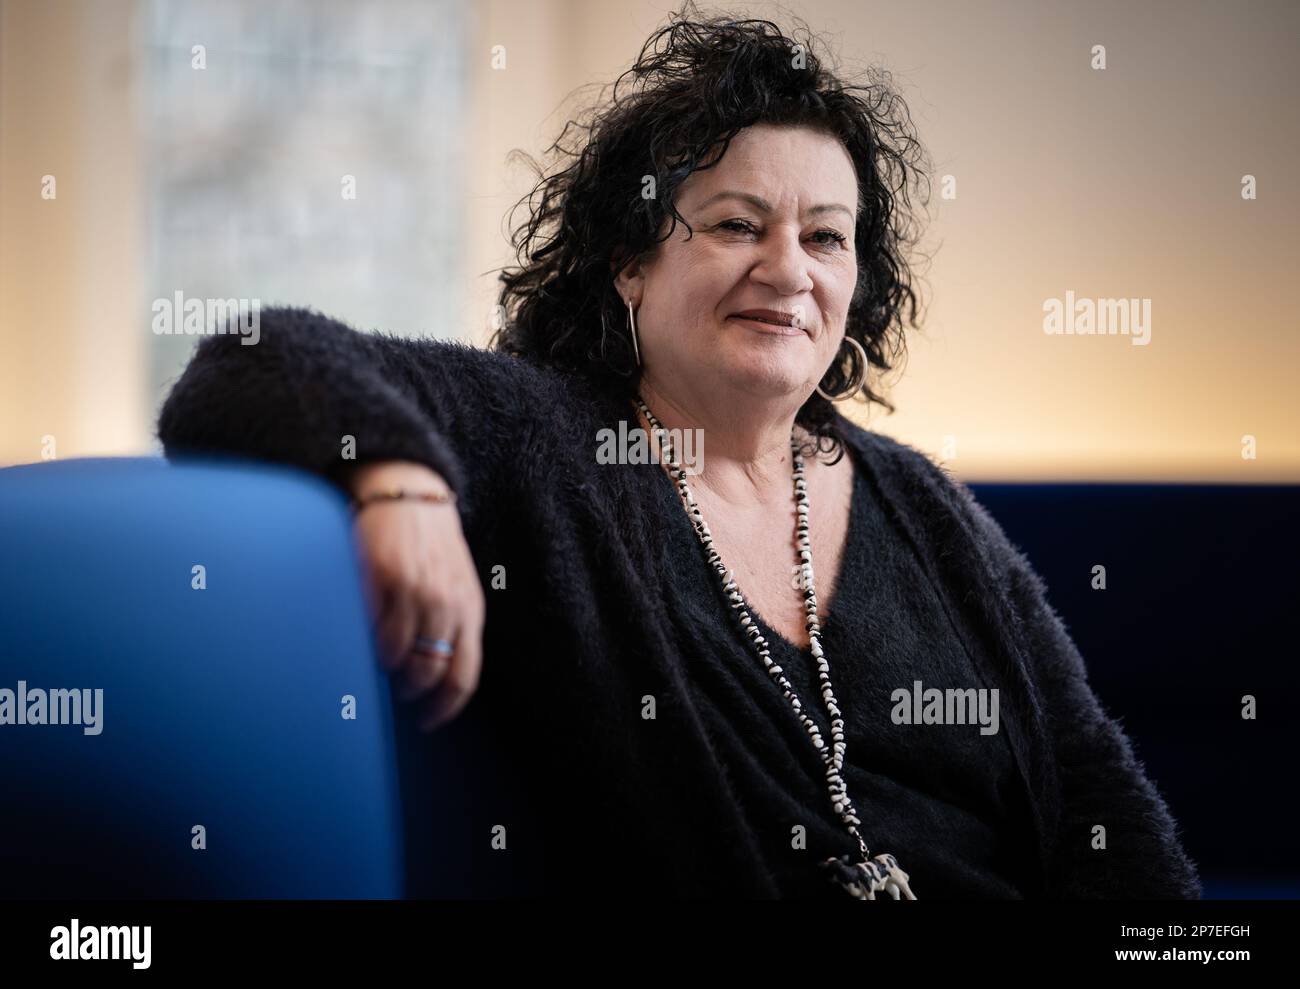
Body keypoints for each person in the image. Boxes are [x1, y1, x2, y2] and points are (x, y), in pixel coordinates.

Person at [157, 7, 1200, 899]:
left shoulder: (923, 504)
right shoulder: (545, 433)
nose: (787, 269)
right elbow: (249, 357)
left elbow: (1098, 799)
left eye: (826, 237)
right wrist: (399, 480)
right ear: (629, 264)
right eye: (737, 224)